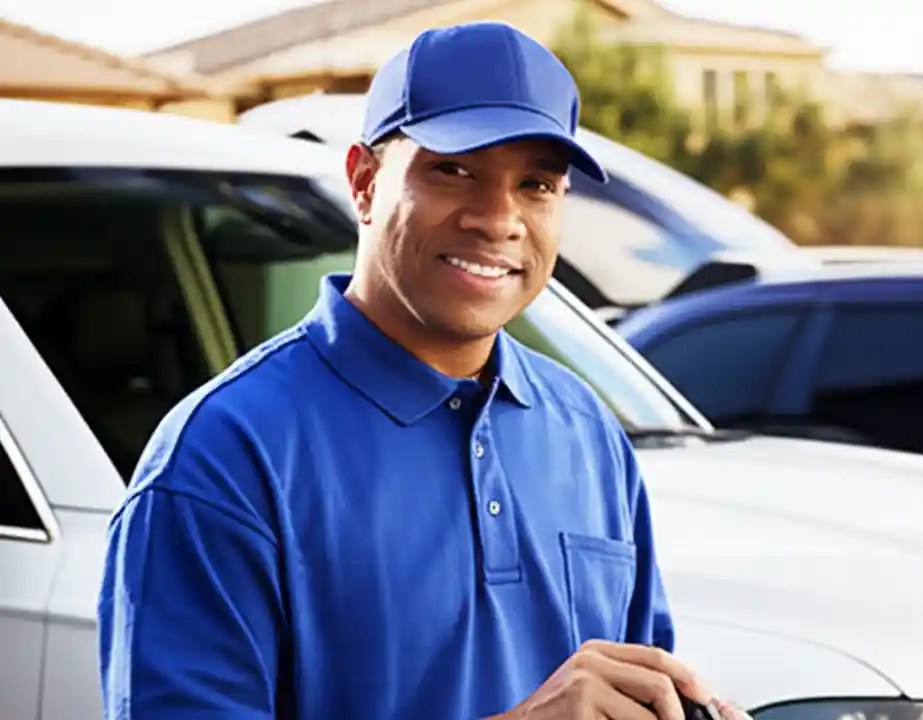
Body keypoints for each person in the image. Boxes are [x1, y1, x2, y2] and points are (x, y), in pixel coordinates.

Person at [97, 20, 743, 720]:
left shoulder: (587, 431)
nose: (499, 219)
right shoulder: (222, 457)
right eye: (454, 170)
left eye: (536, 185)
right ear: (365, 182)